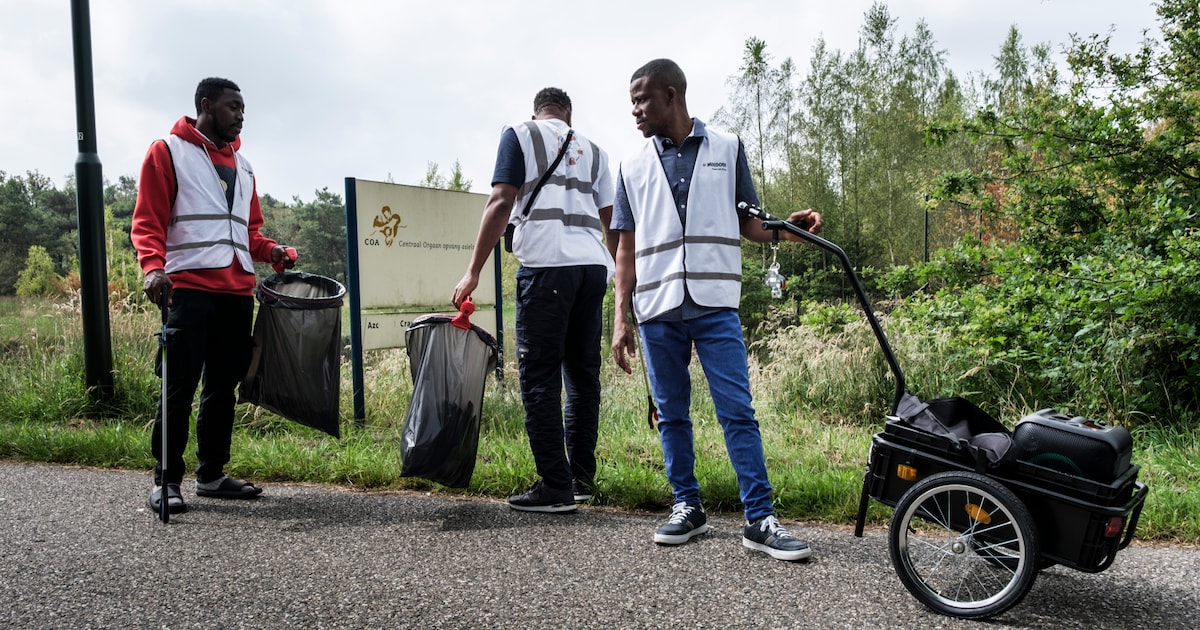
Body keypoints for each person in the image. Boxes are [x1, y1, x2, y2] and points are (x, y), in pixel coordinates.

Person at [610, 59, 824, 561]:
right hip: (657, 309)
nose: (636, 110)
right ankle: (688, 506)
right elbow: (625, 247)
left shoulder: (726, 148)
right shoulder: (631, 165)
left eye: (642, 99)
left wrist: (788, 230)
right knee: (671, 415)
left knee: (737, 413)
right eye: (632, 102)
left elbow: (751, 224)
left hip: (715, 307)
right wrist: (620, 316)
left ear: (671, 95)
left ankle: (760, 519)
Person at [131, 77, 297, 515]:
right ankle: (166, 481)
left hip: (236, 293)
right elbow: (148, 221)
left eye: (243, 107)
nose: (241, 114)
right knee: (178, 385)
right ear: (206, 105)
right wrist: (153, 268)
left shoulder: (244, 167)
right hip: (187, 290)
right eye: (232, 106)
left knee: (222, 387)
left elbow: (249, 231)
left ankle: (211, 475)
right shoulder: (167, 152)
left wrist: (272, 251)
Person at [453, 87, 617, 513]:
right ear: (568, 114)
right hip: (592, 269)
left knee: (539, 377)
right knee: (582, 376)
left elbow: (501, 201)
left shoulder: (520, 134)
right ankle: (579, 479)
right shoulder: (596, 151)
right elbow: (610, 220)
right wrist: (621, 278)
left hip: (547, 266)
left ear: (537, 111)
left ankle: (554, 485)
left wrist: (473, 271)